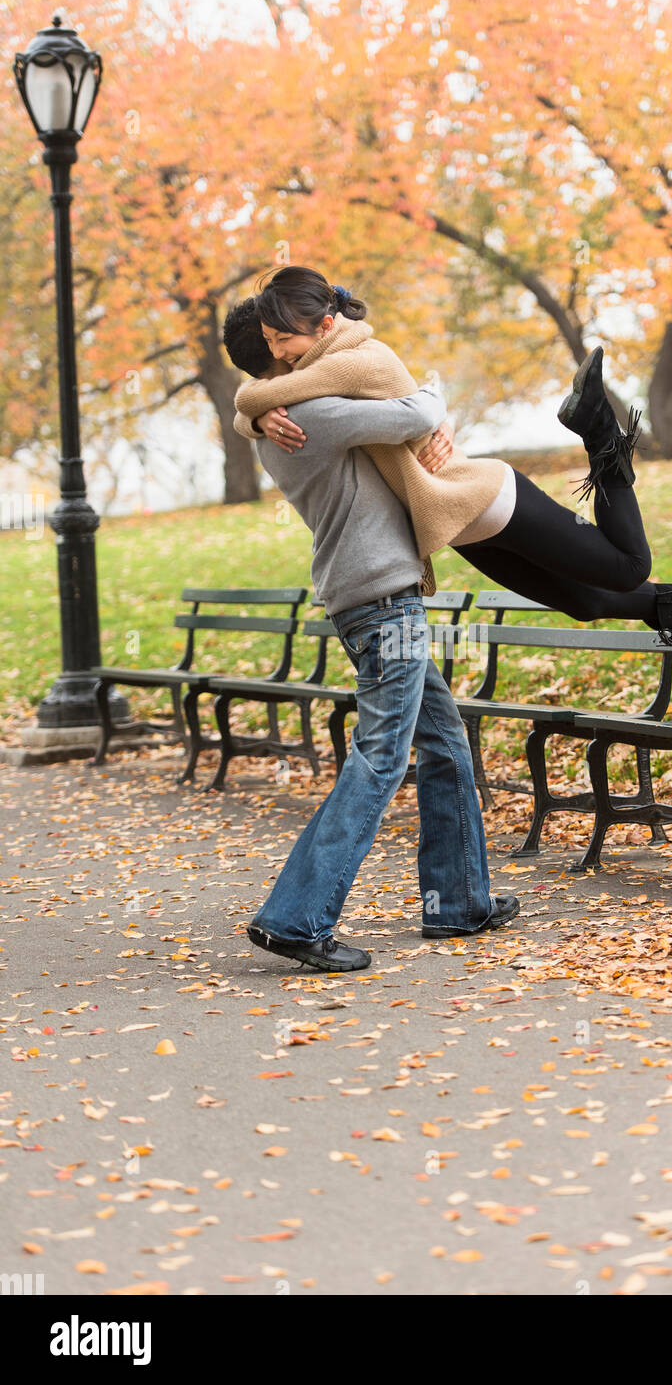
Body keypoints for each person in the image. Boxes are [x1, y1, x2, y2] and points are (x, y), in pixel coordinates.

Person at [233, 267, 672, 660]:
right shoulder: (328, 360)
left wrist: (249, 415)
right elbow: (272, 393)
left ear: (326, 325)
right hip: (459, 516)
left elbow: (261, 394)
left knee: (628, 569)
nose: (281, 355)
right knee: (582, 600)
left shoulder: (350, 358)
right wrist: (253, 420)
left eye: (286, 341)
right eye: (272, 344)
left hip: (482, 495)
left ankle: (600, 429)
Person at [221, 298, 519, 973]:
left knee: (442, 743)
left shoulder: (276, 415)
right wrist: (437, 392)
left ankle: (458, 901)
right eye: (286, 344)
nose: (300, 351)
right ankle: (296, 917)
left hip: (374, 600)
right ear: (277, 361)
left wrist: (246, 411)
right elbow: (414, 412)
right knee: (381, 757)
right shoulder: (307, 415)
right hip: (382, 604)